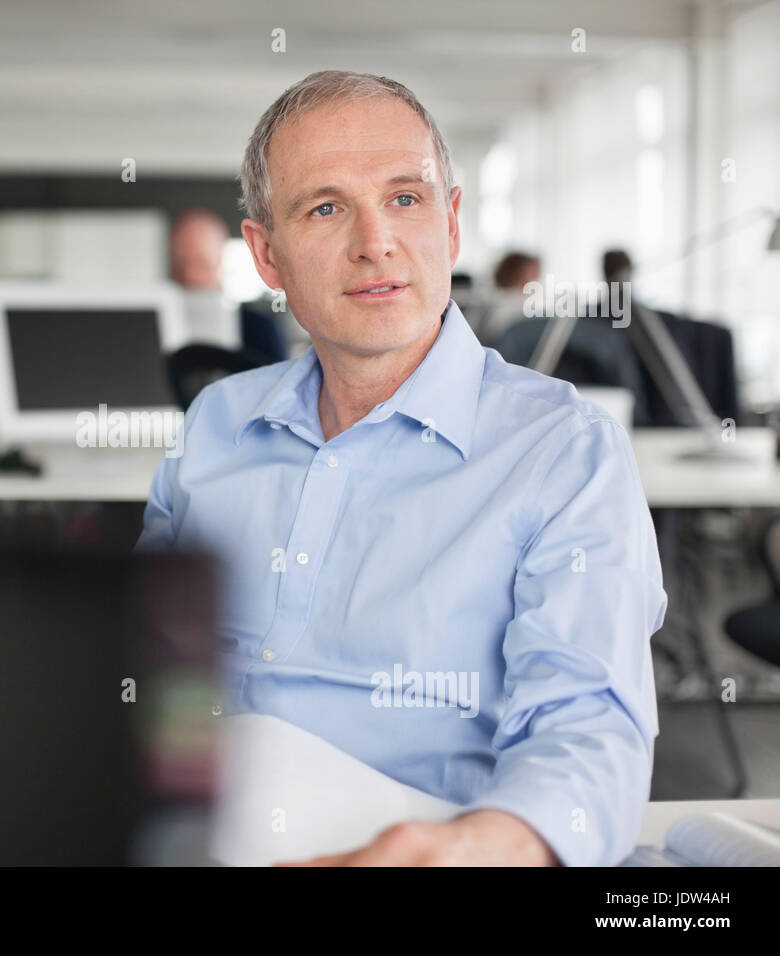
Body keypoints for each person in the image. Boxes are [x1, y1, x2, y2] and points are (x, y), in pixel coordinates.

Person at [137, 70, 666, 866]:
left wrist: (485, 847)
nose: (375, 241)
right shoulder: (217, 425)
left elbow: (587, 732)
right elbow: (152, 675)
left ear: (451, 225)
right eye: (325, 207)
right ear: (266, 255)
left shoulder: (564, 449)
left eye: (406, 199)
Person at [169, 207, 287, 364]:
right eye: (180, 266)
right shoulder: (150, 330)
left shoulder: (259, 330)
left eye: (202, 264)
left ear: (220, 258)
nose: (190, 275)